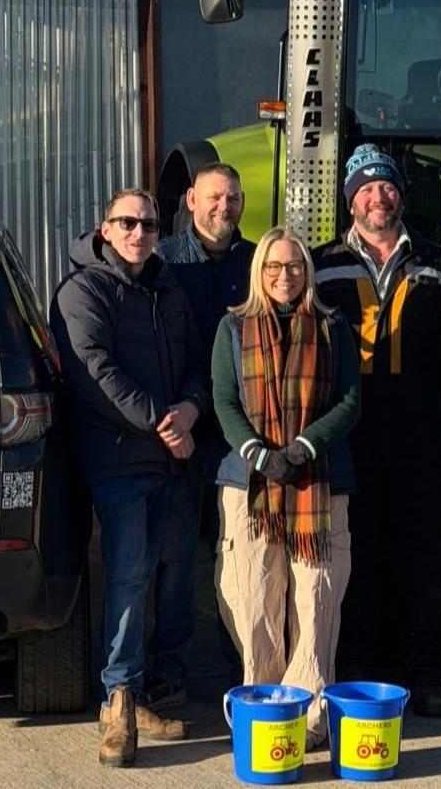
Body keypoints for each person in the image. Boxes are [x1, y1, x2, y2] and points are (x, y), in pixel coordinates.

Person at [49, 188, 207, 768]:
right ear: (105, 228)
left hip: (173, 454)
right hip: (120, 457)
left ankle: (143, 690)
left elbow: (196, 357)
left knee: (171, 572)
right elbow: (94, 371)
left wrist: (191, 407)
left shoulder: (167, 287)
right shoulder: (82, 290)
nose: (139, 232)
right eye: (128, 223)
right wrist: (161, 424)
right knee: (129, 575)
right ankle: (117, 701)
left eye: (148, 224)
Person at [314, 143, 441, 718]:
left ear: (401, 193)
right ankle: (362, 673)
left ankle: (426, 674)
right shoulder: (322, 263)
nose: (379, 196)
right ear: (351, 198)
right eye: (367, 187)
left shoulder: (440, 264)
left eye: (387, 185)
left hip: (422, 436)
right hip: (352, 435)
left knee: (425, 559)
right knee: (358, 555)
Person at [211, 227, 360, 748]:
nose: (284, 275)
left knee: (316, 604)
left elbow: (349, 401)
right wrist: (260, 455)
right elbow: (224, 402)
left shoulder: (333, 326)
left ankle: (310, 719)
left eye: (294, 265)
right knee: (253, 599)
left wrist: (300, 450)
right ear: (259, 272)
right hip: (249, 485)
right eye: (273, 266)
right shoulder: (232, 328)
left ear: (307, 271)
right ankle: (265, 714)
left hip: (318, 482)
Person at [150, 162, 255, 707]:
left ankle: (247, 669)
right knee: (176, 558)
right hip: (183, 433)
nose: (224, 208)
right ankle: (169, 671)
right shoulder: (164, 260)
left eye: (233, 198)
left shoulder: (257, 261)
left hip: (243, 436)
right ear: (191, 200)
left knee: (242, 556)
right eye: (214, 197)